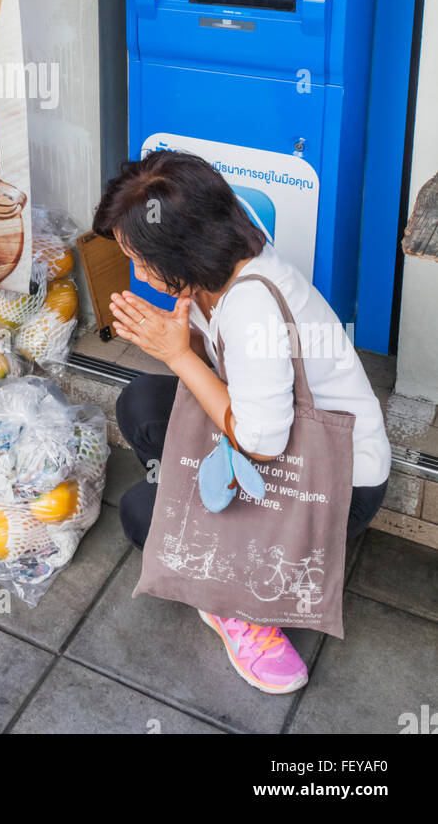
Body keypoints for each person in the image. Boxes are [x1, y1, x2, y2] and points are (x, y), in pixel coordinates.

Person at [93, 150, 390, 694]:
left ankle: (241, 606)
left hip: (332, 482)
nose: (135, 273)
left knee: (142, 515)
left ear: (181, 251)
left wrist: (178, 356)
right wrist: (181, 340)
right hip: (286, 433)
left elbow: (262, 444)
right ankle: (214, 512)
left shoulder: (252, 305)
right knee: (140, 404)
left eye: (140, 258)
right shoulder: (224, 260)